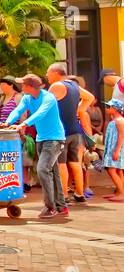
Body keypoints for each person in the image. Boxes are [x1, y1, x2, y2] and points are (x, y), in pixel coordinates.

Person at [5, 73, 68, 219]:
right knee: (52, 173)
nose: (20, 87)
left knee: (42, 170)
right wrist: (8, 122)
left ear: (29, 86)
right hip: (42, 139)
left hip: (54, 140)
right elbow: (18, 110)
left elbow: (40, 113)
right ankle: (61, 206)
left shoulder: (48, 98)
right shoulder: (27, 98)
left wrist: (24, 124)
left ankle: (50, 207)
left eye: (23, 84)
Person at [47, 62, 89, 205]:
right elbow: (90, 97)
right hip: (76, 130)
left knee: (61, 164)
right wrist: (80, 110)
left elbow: (45, 106)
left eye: (48, 73)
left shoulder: (57, 86)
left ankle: (64, 194)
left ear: (55, 73)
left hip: (61, 132)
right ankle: (79, 193)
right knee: (75, 163)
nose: (46, 76)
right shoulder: (73, 85)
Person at [100, 99, 124, 202]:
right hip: (113, 148)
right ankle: (119, 191)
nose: (106, 109)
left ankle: (122, 193)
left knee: (112, 170)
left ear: (115, 109)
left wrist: (117, 150)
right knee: (118, 170)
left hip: (116, 148)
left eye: (109, 107)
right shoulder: (114, 120)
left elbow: (121, 136)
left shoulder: (120, 120)